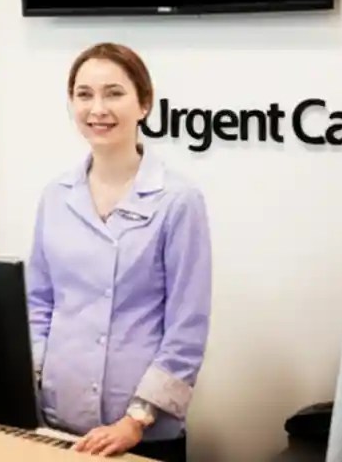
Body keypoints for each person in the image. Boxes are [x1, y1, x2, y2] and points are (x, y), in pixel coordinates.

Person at [27, 43, 211, 461]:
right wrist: (32, 381)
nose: (98, 109)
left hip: (145, 432)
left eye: (114, 93)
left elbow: (187, 328)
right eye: (84, 94)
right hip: (58, 420)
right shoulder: (55, 196)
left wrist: (134, 422)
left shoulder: (178, 200)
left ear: (144, 104)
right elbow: (38, 302)